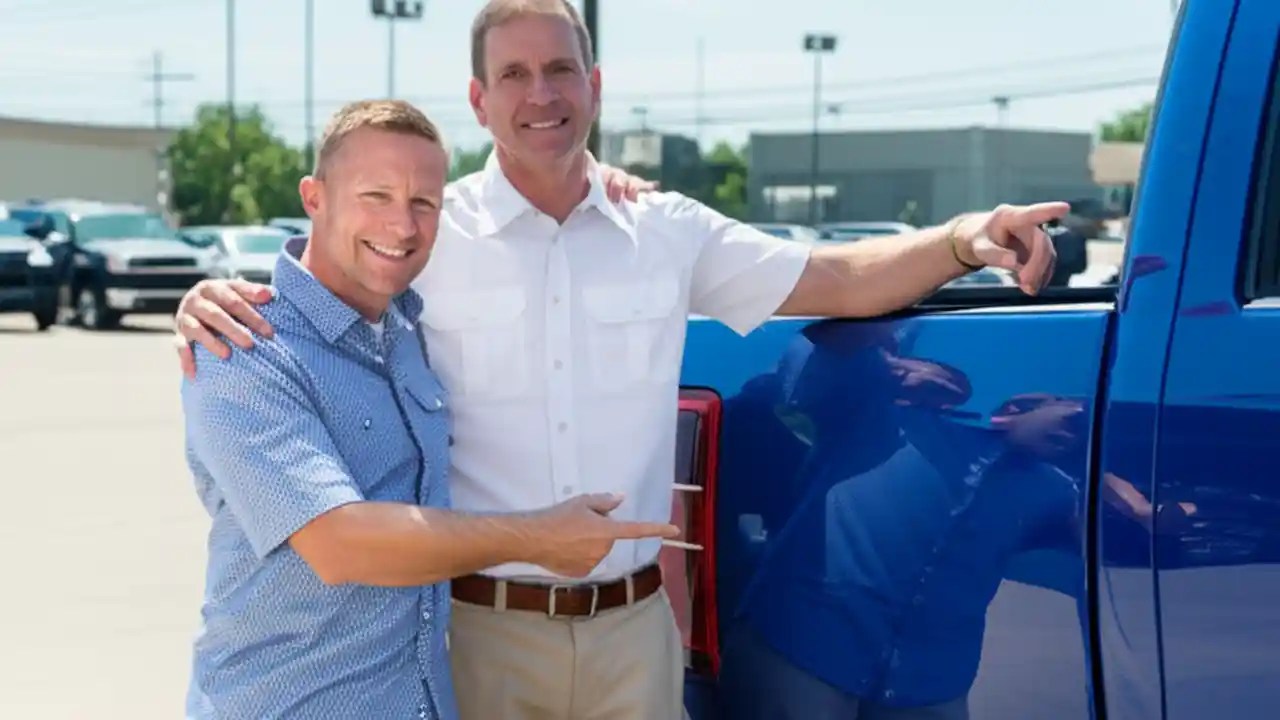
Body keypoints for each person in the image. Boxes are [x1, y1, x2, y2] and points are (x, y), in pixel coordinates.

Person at [173, 1, 1066, 717]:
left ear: (593, 85)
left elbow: (836, 278)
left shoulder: (665, 231)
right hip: (477, 634)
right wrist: (215, 295)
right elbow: (341, 254)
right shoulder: (434, 229)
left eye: (560, 68)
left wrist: (963, 237)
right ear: (480, 102)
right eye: (513, 73)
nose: (541, 92)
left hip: (635, 634)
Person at [179, 98, 677, 720]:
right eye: (376, 196)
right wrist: (535, 537)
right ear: (315, 197)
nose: (403, 227)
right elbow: (341, 545)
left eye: (424, 204)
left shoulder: (411, 330)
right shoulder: (242, 350)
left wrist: (594, 181)